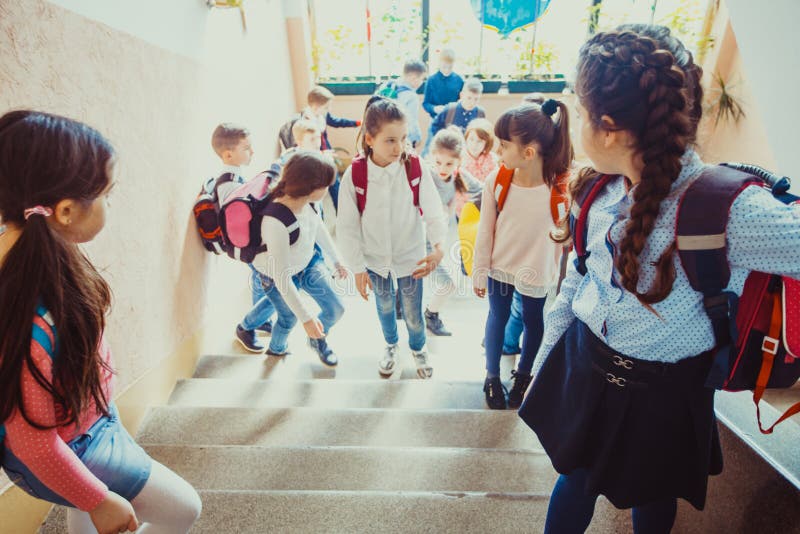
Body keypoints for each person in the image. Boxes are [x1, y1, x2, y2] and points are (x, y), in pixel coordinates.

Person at [520, 28, 800, 533]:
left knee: (652, 497)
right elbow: (579, 279)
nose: (576, 125)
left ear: (606, 128)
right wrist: (546, 359)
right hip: (586, 366)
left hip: (666, 395)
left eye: (579, 113)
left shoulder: (730, 209)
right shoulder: (598, 185)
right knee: (574, 478)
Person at [0, 110, 201, 533]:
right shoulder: (29, 321)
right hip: (74, 445)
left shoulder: (33, 241)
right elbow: (32, 442)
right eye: (108, 194)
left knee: (88, 518)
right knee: (183, 508)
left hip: (90, 423)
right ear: (68, 211)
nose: (109, 203)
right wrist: (98, 497)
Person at [337, 97, 447, 379]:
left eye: (403, 139)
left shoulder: (415, 167)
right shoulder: (355, 174)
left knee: (412, 310)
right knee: (384, 306)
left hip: (411, 257)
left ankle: (418, 347)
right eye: (390, 140)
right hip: (374, 259)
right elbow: (347, 226)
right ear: (370, 139)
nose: (399, 147)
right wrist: (357, 267)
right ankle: (390, 345)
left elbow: (433, 210)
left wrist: (438, 247)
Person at [473, 100, 572, 410]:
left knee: (533, 320)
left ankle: (524, 376)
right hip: (500, 268)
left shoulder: (561, 188)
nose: (498, 153)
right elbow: (485, 230)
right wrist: (479, 270)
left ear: (528, 153)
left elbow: (568, 237)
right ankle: (491, 377)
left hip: (537, 270)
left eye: (503, 146)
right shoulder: (497, 181)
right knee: (497, 316)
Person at [237, 151, 347, 365]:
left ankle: (316, 339)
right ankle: (276, 349)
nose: (328, 189)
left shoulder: (310, 201)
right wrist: (306, 319)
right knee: (288, 317)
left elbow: (317, 227)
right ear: (309, 187)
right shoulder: (274, 221)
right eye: (325, 185)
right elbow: (282, 279)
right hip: (277, 274)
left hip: (307, 263)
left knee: (336, 308)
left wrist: (336, 260)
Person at [426, 127, 482, 336]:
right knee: (446, 284)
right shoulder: (425, 175)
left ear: (459, 162)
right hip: (415, 241)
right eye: (438, 162)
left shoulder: (460, 176)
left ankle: (429, 315)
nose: (443, 168)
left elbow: (485, 189)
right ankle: (426, 314)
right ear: (432, 157)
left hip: (434, 243)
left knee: (447, 285)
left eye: (449, 163)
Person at [462, 118, 498, 182]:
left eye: (479, 141)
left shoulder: (492, 159)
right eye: (471, 139)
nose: (474, 144)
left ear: (487, 143)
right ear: (466, 138)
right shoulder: (459, 158)